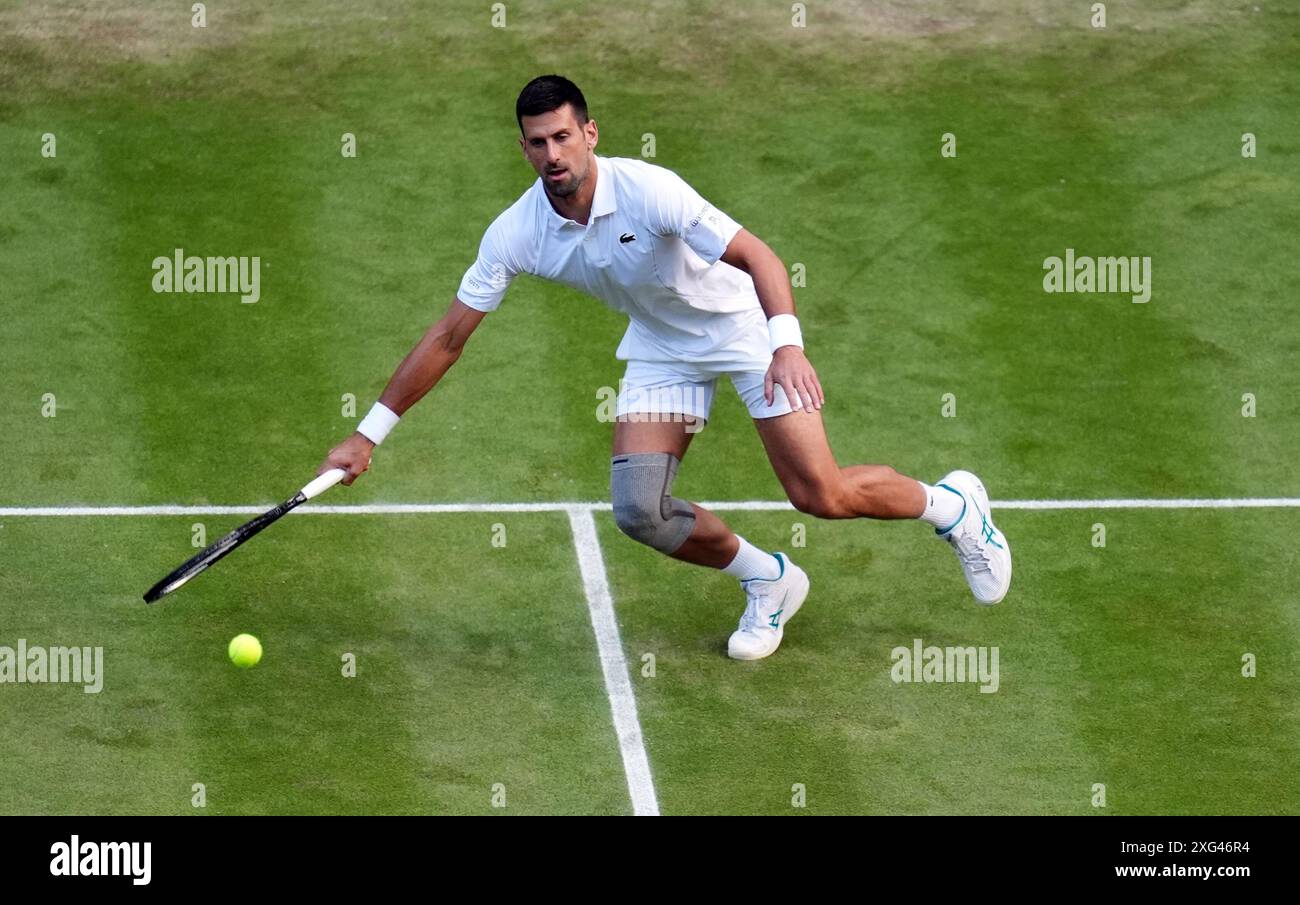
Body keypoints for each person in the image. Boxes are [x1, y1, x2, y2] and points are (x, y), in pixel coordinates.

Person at [319, 75, 1011, 661]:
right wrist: (368, 433)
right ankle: (769, 579)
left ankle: (954, 507)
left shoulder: (651, 190)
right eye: (538, 142)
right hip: (661, 344)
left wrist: (787, 344)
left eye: (564, 137)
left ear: (591, 133)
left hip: (742, 328)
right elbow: (447, 336)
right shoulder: (517, 232)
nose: (552, 154)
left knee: (820, 495)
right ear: (523, 147)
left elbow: (759, 256)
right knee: (638, 510)